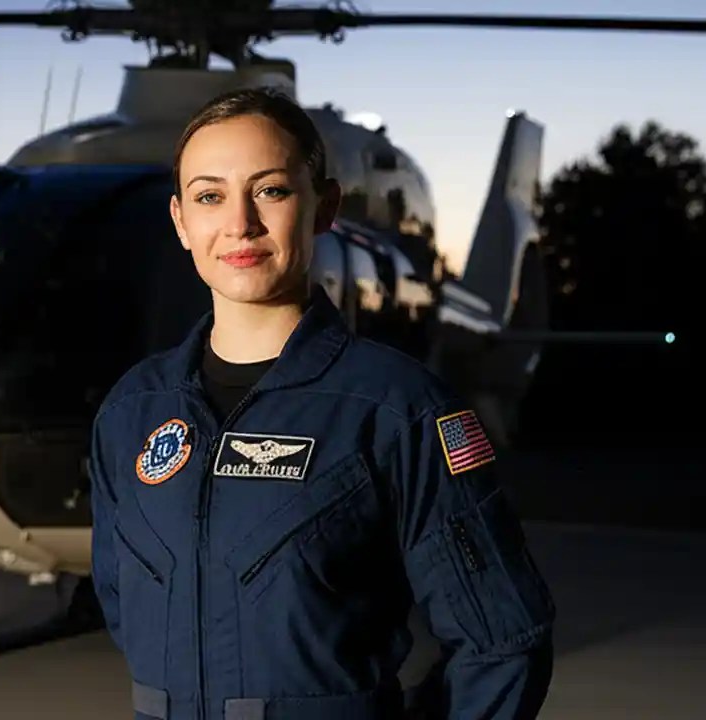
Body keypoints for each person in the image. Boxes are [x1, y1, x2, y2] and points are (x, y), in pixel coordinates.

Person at [87, 86, 556, 720]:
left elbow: (501, 642)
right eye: (209, 196)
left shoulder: (397, 410)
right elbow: (127, 608)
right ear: (180, 221)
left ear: (325, 207)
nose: (240, 224)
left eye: (271, 190)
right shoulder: (132, 413)